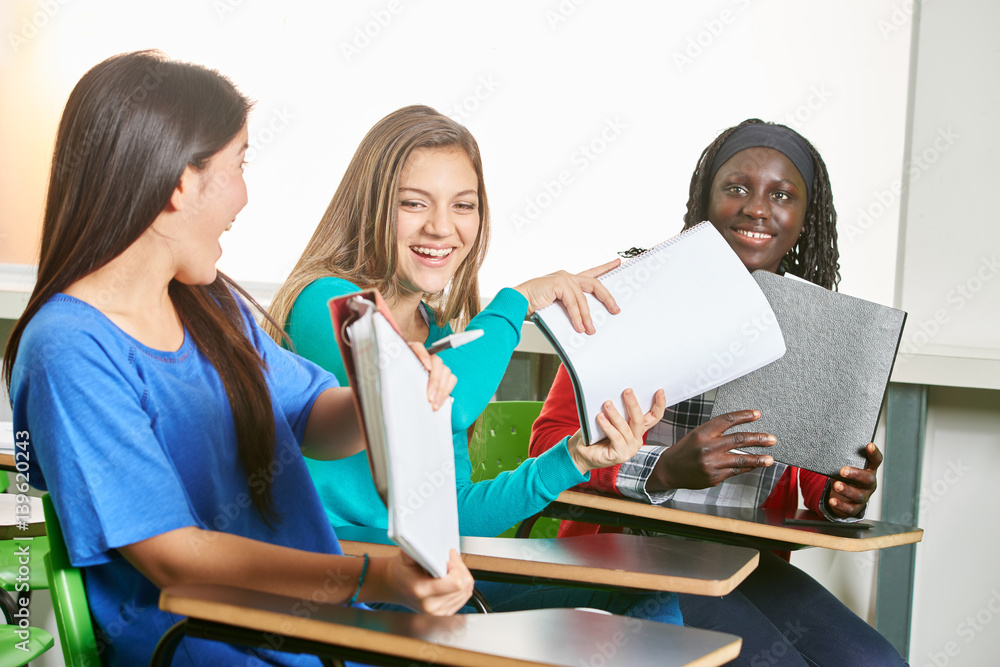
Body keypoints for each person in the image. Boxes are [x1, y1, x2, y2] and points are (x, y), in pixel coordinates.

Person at [5, 51, 475, 667]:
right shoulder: (69, 349)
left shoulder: (210, 303)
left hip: (319, 636)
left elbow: (311, 417)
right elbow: (174, 556)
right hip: (212, 648)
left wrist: (383, 392)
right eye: (239, 164)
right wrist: (375, 577)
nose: (244, 195)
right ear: (181, 182)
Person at [266, 104, 681, 624]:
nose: (442, 227)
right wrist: (517, 302)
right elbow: (441, 401)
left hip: (426, 581)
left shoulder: (440, 336)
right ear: (370, 208)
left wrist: (574, 457)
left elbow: (455, 516)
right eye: (413, 203)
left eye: (463, 205)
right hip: (343, 585)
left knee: (643, 597)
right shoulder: (326, 301)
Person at [530, 119, 908, 666]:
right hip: (625, 551)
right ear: (704, 203)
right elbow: (548, 444)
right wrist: (662, 470)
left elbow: (804, 474)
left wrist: (836, 492)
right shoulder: (628, 296)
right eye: (736, 188)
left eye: (782, 195)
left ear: (806, 220)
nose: (757, 208)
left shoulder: (814, 330)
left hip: (743, 560)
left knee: (878, 663)